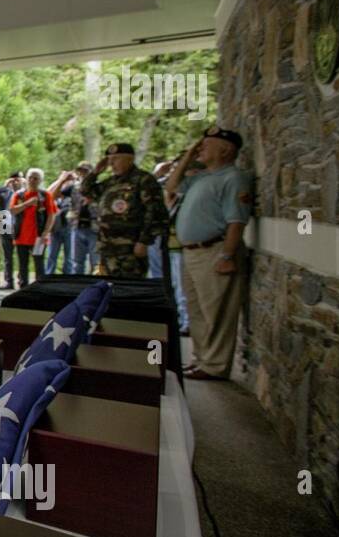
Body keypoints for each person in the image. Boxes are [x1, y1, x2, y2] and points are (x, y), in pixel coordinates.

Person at [163, 126, 253, 380]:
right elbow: (172, 186)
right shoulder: (201, 177)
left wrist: (226, 256)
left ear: (225, 150)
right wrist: (188, 156)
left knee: (217, 312)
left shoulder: (233, 178)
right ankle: (201, 359)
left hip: (215, 250)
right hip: (192, 252)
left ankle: (214, 366)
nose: (200, 147)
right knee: (197, 311)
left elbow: (237, 221)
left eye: (206, 144)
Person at [79, 142, 169, 279]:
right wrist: (95, 172)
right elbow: (86, 191)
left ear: (130, 159)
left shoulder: (143, 180)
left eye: (116, 159)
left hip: (130, 248)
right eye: (109, 160)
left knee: (129, 289)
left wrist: (144, 241)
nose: (111, 164)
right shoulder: (111, 182)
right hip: (108, 247)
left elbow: (155, 211)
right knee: (109, 289)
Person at [9, 168, 56, 288]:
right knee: (22, 265)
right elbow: (12, 211)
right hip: (21, 237)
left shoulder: (45, 195)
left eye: (35, 178)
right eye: (30, 177)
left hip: (39, 237)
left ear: (40, 180)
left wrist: (46, 232)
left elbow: (51, 215)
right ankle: (23, 287)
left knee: (39, 264)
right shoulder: (19, 195)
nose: (32, 180)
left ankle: (40, 288)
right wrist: (27, 203)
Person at [66, 162, 98, 274]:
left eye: (85, 171)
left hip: (94, 228)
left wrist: (91, 202)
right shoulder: (75, 187)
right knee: (77, 262)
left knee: (96, 262)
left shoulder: (98, 187)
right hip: (77, 226)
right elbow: (71, 204)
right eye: (81, 171)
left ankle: (96, 288)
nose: (82, 173)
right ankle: (77, 286)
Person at [43, 169, 77, 274]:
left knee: (69, 257)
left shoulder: (74, 190)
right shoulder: (58, 191)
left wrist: (74, 179)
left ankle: (68, 278)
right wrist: (61, 180)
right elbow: (49, 195)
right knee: (51, 256)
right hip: (55, 228)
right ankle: (48, 276)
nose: (68, 180)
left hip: (70, 228)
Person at [0, 172, 23, 289]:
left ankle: (22, 281)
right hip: (5, 226)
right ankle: (8, 281)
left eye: (18, 179)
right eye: (13, 180)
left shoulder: (24, 193)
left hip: (20, 228)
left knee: (21, 256)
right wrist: (5, 185)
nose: (15, 182)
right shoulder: (4, 193)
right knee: (7, 257)